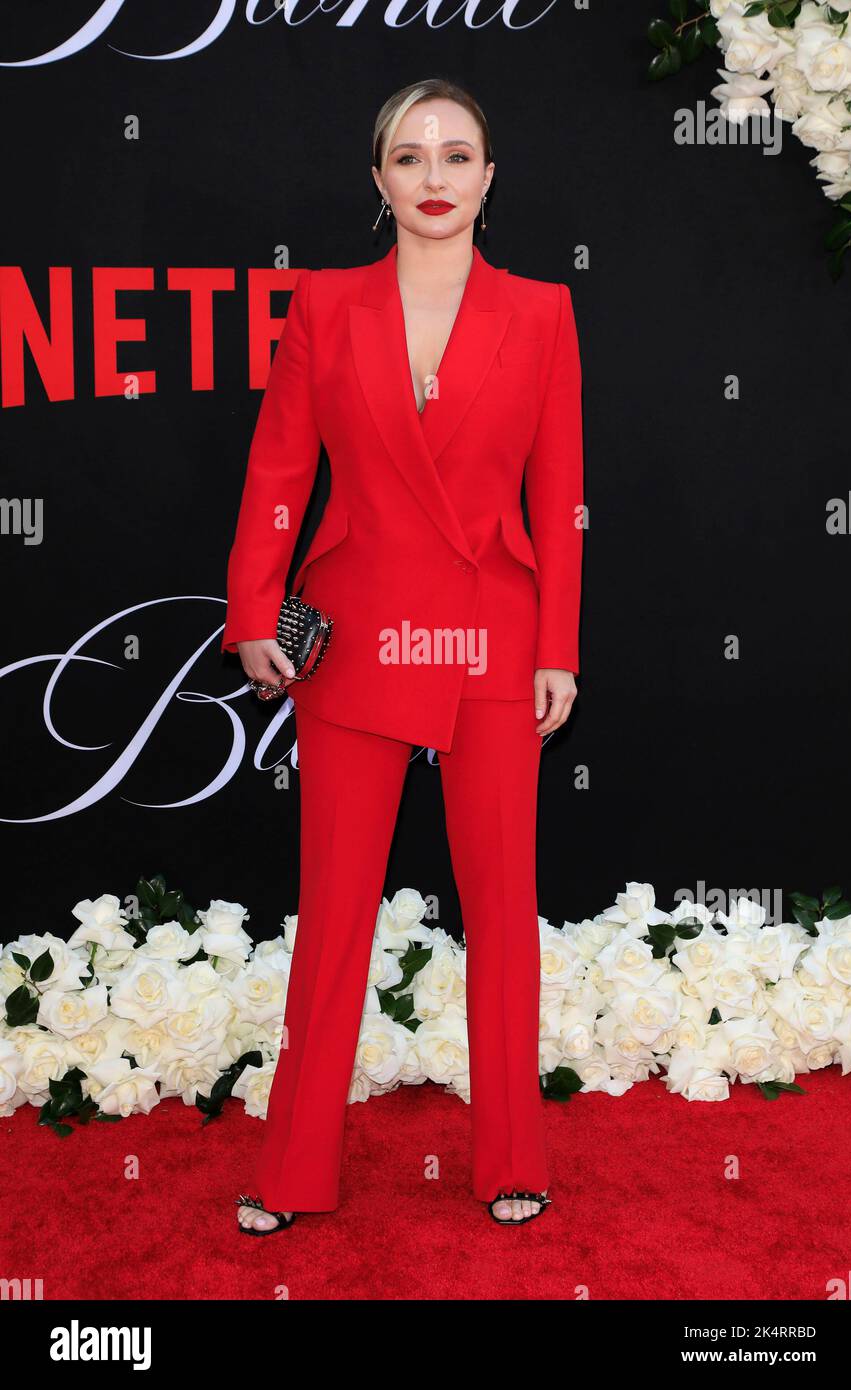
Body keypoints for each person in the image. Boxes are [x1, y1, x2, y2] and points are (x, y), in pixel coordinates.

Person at [223, 77, 584, 1233]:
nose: (434, 177)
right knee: (331, 915)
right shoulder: (325, 307)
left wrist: (557, 647)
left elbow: (559, 493)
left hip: (490, 635)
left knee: (500, 905)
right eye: (410, 156)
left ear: (489, 176)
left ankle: (512, 1160)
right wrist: (251, 609)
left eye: (457, 154)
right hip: (357, 635)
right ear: (376, 179)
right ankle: (292, 1175)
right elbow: (280, 471)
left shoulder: (539, 315)